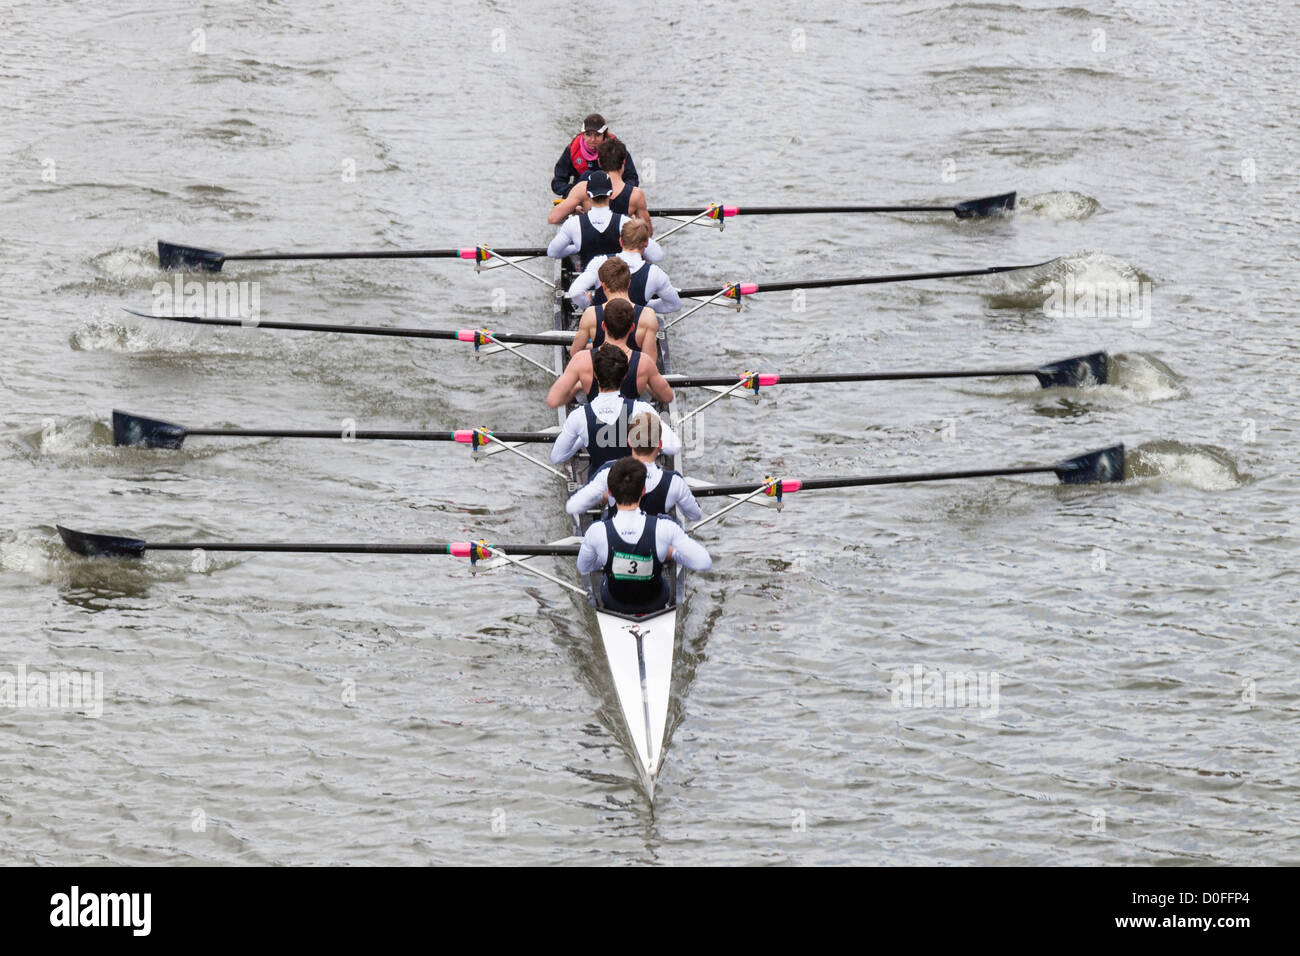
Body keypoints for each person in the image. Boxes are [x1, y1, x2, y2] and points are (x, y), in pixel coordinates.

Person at [577, 456, 711, 614]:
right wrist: (672, 553)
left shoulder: (597, 531)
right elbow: (703, 561)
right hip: (655, 602)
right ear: (643, 491)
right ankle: (676, 597)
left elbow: (584, 566)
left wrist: (606, 557)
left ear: (611, 492)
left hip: (614, 601)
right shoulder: (664, 527)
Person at [552, 346, 681, 473]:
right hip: (632, 485)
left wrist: (583, 438)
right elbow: (674, 447)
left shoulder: (578, 416)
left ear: (595, 375)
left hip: (599, 489)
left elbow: (557, 457)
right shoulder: (640, 409)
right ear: (625, 375)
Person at [566, 412, 702, 523]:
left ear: (629, 442)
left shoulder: (609, 471)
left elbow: (573, 506)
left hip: (616, 547)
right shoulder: (674, 481)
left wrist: (603, 496)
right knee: (673, 523)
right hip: (653, 550)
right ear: (660, 445)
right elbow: (695, 516)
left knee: (603, 520)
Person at [546, 299, 673, 407]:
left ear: (603, 326)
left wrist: (579, 386)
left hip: (595, 428)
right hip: (629, 428)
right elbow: (667, 397)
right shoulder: (644, 362)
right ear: (632, 328)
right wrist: (645, 383)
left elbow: (553, 400)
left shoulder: (581, 359)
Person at [546, 171, 662, 271]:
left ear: (587, 195)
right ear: (611, 194)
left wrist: (576, 248)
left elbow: (552, 252)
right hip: (618, 282)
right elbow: (657, 256)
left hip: (590, 284)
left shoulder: (573, 224)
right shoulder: (625, 222)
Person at [568, 219, 679, 314]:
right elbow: (674, 305)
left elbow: (575, 292)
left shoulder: (599, 262)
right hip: (635, 334)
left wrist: (589, 305)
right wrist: (646, 306)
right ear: (646, 243)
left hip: (599, 331)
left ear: (621, 241)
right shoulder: (656, 273)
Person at [568, 257, 659, 365]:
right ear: (629, 283)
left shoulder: (590, 314)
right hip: (634, 379)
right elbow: (650, 362)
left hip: (602, 377)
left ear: (603, 286)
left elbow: (575, 353)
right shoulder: (648, 315)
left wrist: (593, 348)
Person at [548, 138, 650, 229]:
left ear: (599, 162)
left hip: (591, 247)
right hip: (620, 247)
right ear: (624, 162)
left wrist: (574, 209)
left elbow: (553, 218)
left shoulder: (582, 188)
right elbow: (648, 232)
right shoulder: (636, 194)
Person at [551, 113, 640, 198]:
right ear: (583, 134)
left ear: (604, 134)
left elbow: (632, 179)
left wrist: (618, 193)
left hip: (611, 196)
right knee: (587, 175)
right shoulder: (572, 150)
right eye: (588, 135)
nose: (592, 140)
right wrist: (574, 191)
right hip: (582, 197)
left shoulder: (616, 148)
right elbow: (557, 183)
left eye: (597, 135)